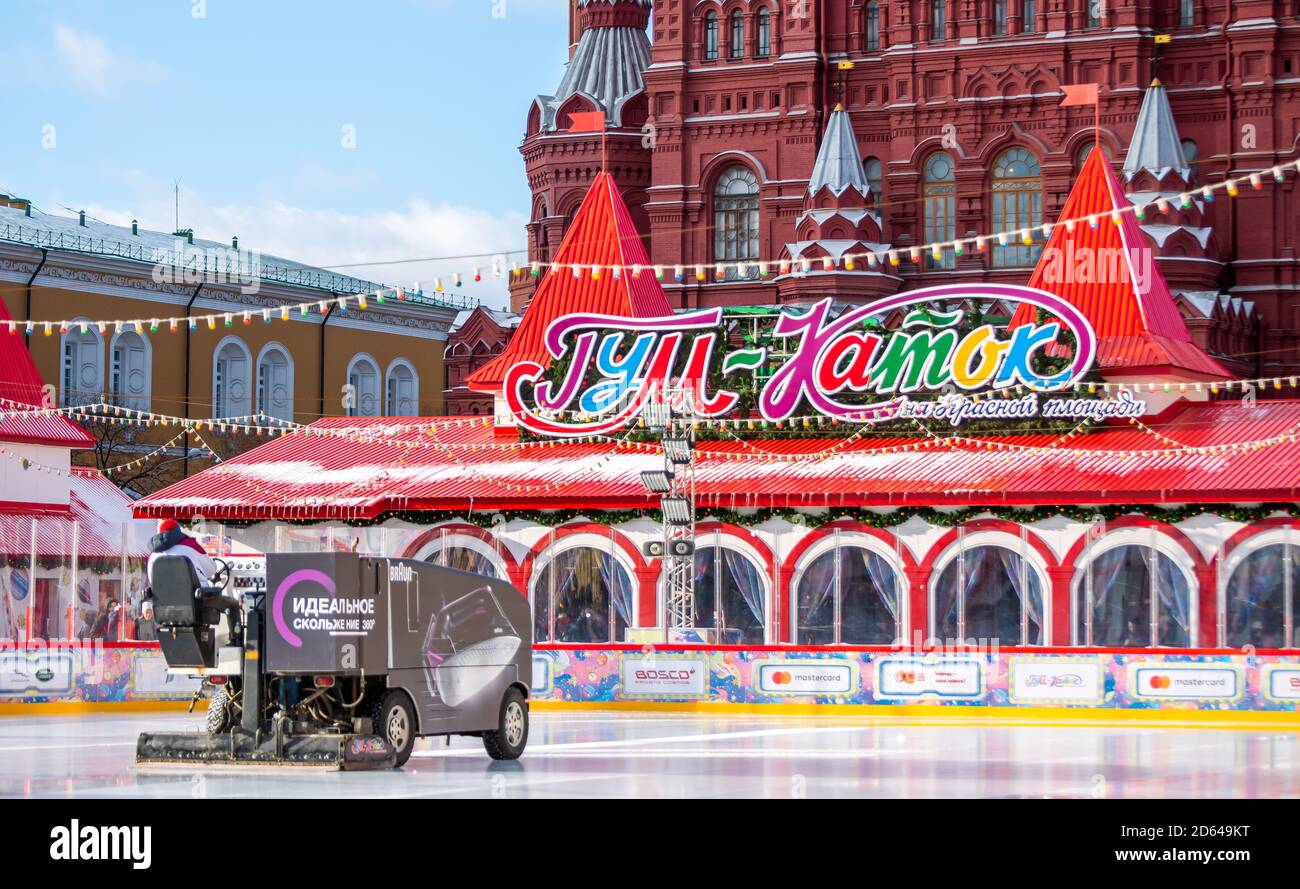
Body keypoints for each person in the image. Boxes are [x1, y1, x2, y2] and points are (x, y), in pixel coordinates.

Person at [146, 519, 217, 587]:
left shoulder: (152, 554)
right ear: (178, 532)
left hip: (163, 597)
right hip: (195, 596)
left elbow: (152, 580)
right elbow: (210, 571)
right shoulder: (191, 545)